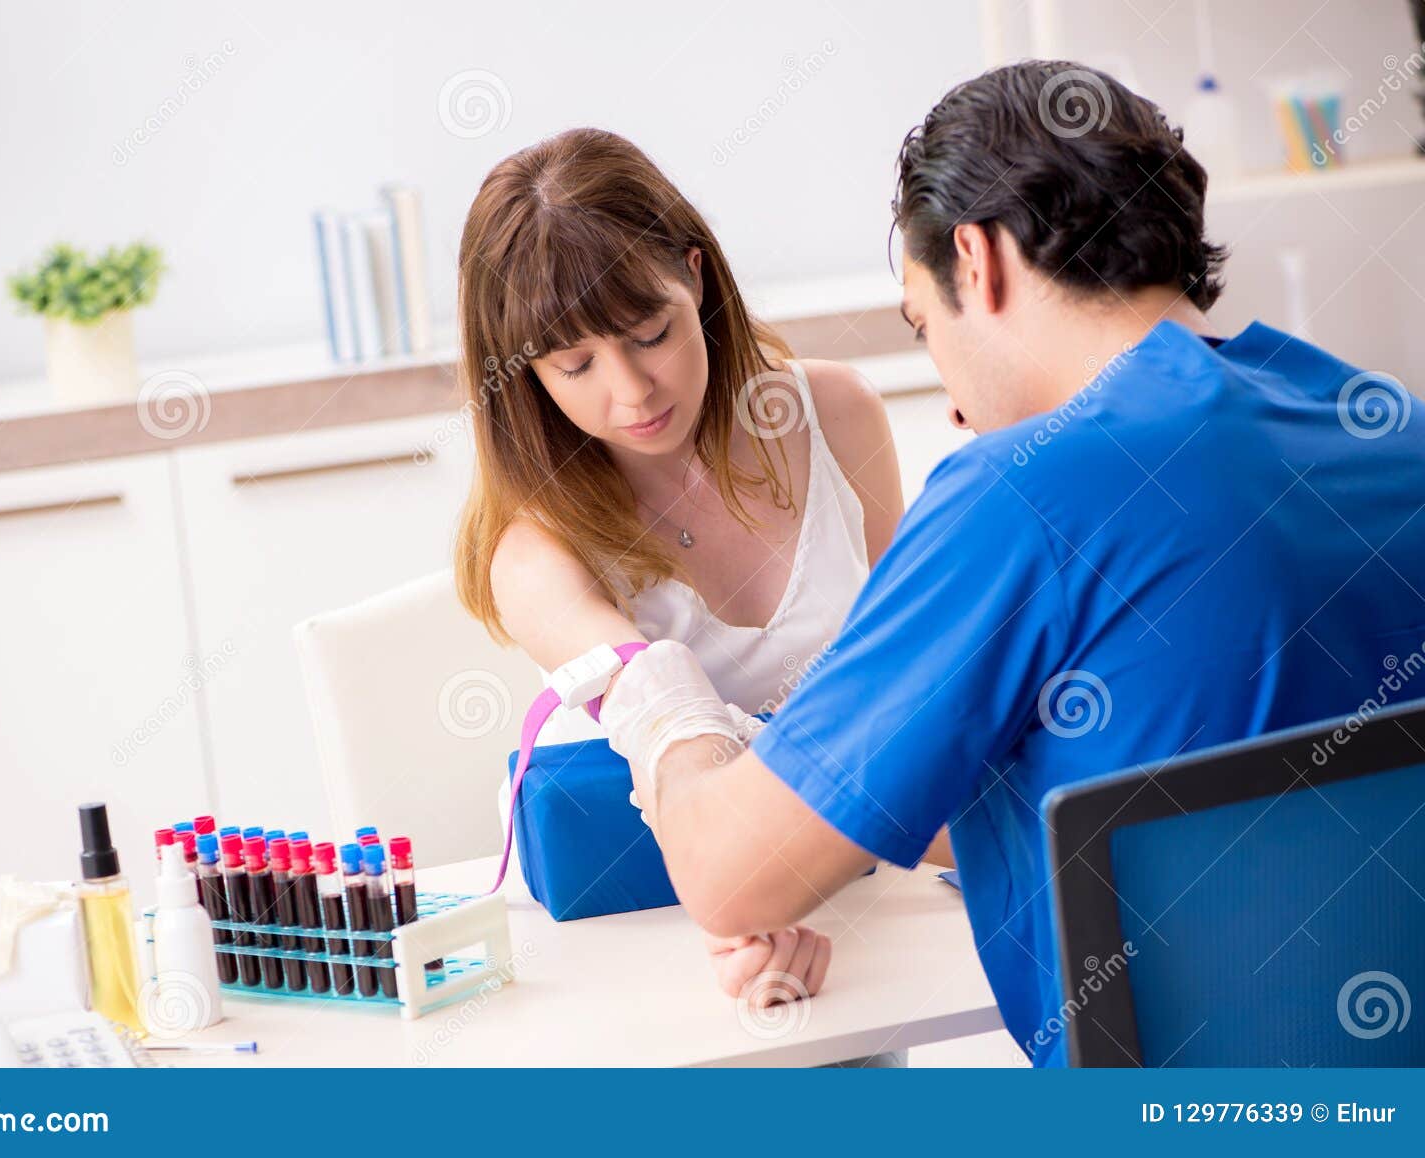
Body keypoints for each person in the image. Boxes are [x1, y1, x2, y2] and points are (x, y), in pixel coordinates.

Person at [598, 60, 1425, 1065]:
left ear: (976, 259)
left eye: (922, 323)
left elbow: (731, 877)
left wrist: (669, 709)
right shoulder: (1385, 432)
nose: (948, 403)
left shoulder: (1024, 491)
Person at [452, 127, 914, 1004]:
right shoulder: (535, 552)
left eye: (649, 333)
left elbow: (913, 675)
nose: (631, 392)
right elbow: (670, 726)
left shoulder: (838, 416)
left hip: (861, 886)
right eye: (575, 363)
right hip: (642, 942)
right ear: (523, 377)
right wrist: (750, 890)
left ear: (696, 278)